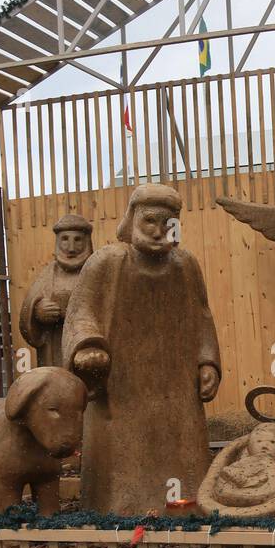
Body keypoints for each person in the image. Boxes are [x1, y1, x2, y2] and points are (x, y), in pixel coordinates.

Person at [62, 185, 221, 513]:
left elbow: (202, 317)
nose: (159, 230)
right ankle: (120, 510)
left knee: (182, 446)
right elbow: (82, 312)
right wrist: (86, 349)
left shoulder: (186, 265)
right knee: (122, 451)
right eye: (150, 220)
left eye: (168, 222)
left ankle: (183, 506)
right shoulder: (108, 261)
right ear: (131, 219)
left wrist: (208, 362)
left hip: (176, 385)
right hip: (121, 384)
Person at [19, 213, 94, 367]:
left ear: (87, 241)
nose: (71, 248)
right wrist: (37, 311)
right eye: (65, 239)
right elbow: (27, 310)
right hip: (54, 349)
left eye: (78, 240)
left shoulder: (96, 271)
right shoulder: (48, 274)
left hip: (88, 350)